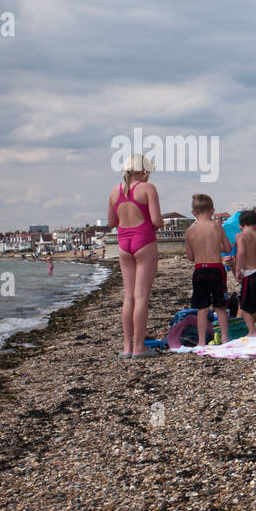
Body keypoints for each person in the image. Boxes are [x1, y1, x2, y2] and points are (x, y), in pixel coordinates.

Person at [108, 153, 162, 358]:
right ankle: (139, 347)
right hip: (144, 241)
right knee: (141, 297)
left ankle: (126, 347)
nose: (149, 176)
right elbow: (156, 221)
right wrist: (160, 223)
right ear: (141, 171)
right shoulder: (148, 189)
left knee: (128, 297)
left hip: (123, 244)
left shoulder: (115, 191)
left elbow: (112, 222)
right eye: (148, 172)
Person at [185, 193, 232, 347]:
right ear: (212, 210)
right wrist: (216, 247)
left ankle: (200, 341)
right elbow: (227, 248)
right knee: (220, 306)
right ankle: (225, 338)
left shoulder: (190, 231)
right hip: (216, 268)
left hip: (200, 270)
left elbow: (190, 257)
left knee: (202, 308)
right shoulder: (217, 226)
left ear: (193, 213)